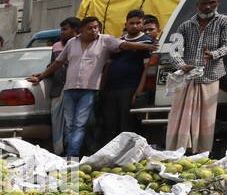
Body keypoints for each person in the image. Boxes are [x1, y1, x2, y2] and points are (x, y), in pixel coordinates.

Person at [28, 16, 153, 158]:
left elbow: (124, 45)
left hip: (89, 90)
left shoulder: (105, 40)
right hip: (69, 90)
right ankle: (74, 154)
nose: (94, 30)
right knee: (69, 125)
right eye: (90, 28)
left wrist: (146, 46)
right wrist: (41, 77)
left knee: (79, 124)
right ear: (81, 30)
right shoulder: (71, 43)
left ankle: (72, 156)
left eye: (96, 27)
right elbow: (58, 63)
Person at [166, 0, 227, 155]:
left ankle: (201, 153)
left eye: (212, 3)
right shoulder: (185, 25)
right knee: (181, 117)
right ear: (197, 5)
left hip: (211, 76)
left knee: (205, 120)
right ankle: (179, 151)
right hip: (187, 78)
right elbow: (174, 50)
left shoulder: (224, 21)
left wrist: (214, 54)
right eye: (204, 4)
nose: (208, 7)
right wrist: (181, 65)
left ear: (217, 2)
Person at [97, 10, 152, 143]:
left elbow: (146, 69)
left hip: (130, 88)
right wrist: (102, 89)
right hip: (112, 89)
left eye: (138, 23)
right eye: (131, 23)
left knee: (126, 125)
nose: (134, 26)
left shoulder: (147, 42)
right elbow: (108, 66)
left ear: (143, 23)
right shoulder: (118, 41)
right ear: (126, 24)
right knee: (110, 125)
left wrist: (138, 92)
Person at [46, 17, 80, 154]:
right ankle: (59, 152)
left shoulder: (81, 45)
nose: (62, 32)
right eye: (62, 29)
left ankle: (72, 152)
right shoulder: (56, 46)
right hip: (58, 89)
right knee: (57, 123)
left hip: (75, 89)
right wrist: (41, 75)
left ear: (75, 30)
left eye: (65, 29)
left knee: (72, 124)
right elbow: (52, 66)